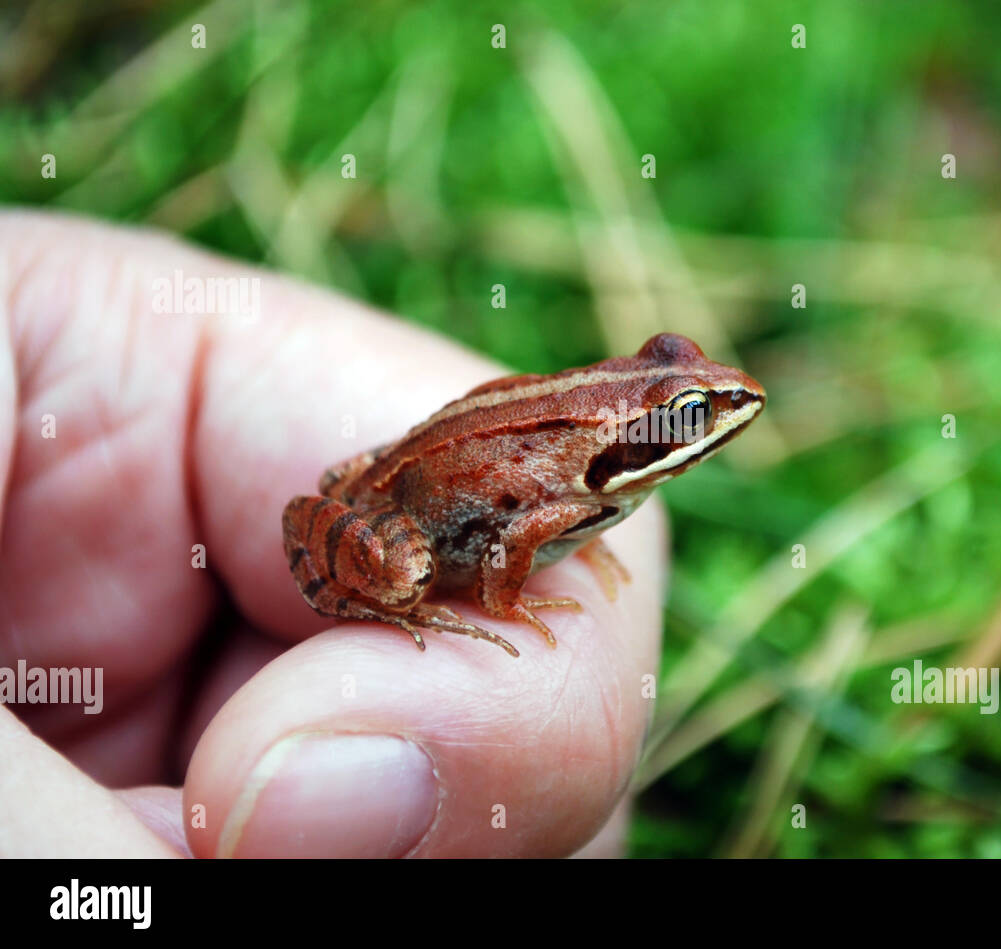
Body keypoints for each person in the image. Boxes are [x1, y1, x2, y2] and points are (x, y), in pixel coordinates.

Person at [0, 212, 659, 857]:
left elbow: (547, 512)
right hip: (409, 519)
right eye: (681, 419)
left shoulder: (598, 479)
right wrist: (506, 603)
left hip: (388, 475)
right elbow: (525, 533)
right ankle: (384, 595)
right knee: (406, 579)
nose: (699, 427)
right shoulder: (572, 491)